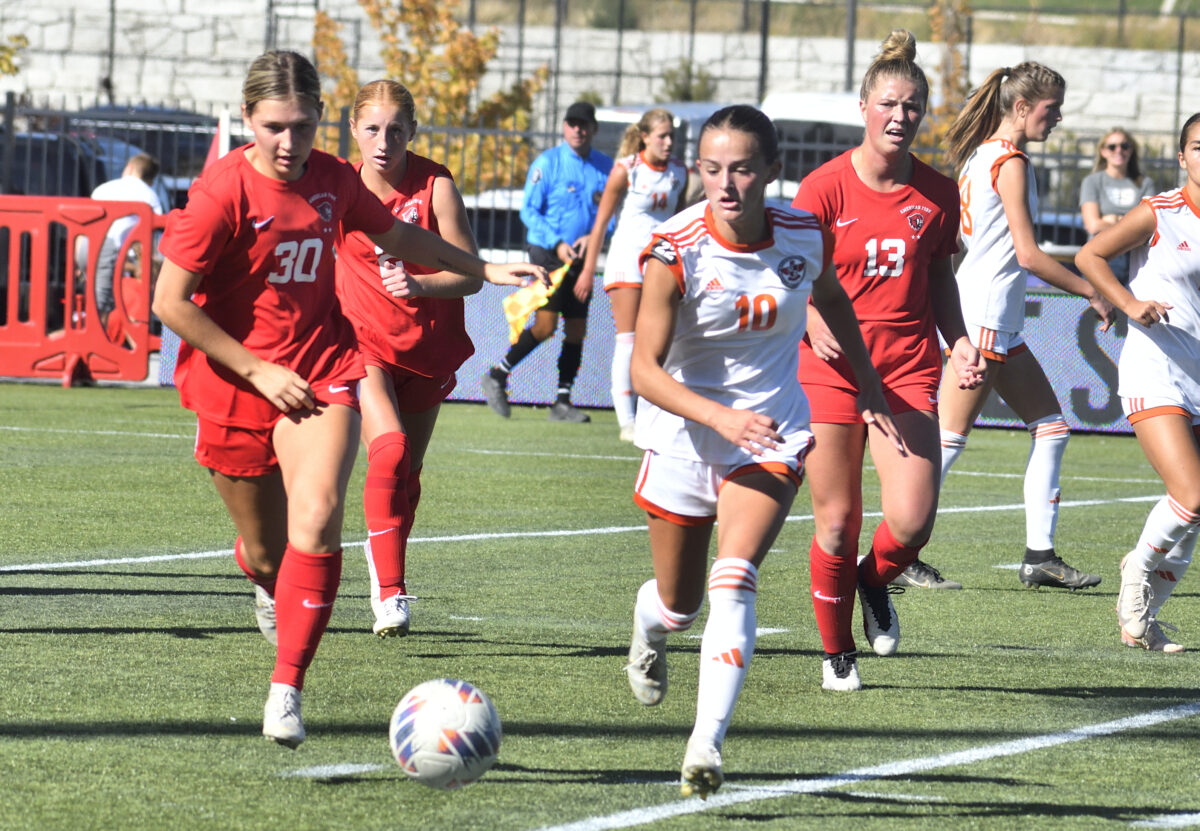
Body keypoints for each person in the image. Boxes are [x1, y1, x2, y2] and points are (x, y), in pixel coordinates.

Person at [151, 51, 542, 749]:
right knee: (270, 553)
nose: (288, 142)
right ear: (248, 120)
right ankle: (264, 574)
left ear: (319, 123)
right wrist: (254, 368)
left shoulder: (332, 179)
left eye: (302, 126)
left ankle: (286, 688)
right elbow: (170, 303)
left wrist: (481, 266)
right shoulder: (219, 192)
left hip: (322, 365)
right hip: (238, 381)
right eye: (274, 126)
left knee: (322, 514)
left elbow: (398, 234)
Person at [623, 104, 902, 798]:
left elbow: (833, 297)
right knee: (680, 605)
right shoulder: (674, 247)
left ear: (773, 171)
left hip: (771, 434)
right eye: (713, 169)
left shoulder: (803, 233)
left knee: (735, 575)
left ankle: (704, 744)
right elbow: (644, 371)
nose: (726, 183)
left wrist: (866, 379)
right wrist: (719, 415)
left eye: (743, 168)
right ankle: (649, 625)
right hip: (687, 436)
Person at [790, 31, 987, 690]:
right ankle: (835, 651)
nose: (900, 116)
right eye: (889, 104)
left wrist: (958, 341)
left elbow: (938, 278)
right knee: (838, 519)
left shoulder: (936, 193)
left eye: (913, 106)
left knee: (911, 522)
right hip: (831, 368)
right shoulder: (821, 190)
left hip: (905, 368)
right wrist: (812, 318)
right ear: (864, 107)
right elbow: (790, 277)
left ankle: (874, 581)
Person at [937, 62, 1116, 591]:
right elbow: (1029, 255)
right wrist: (1091, 289)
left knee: (1052, 429)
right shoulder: (1010, 160)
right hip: (988, 315)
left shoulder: (980, 154)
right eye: (1051, 109)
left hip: (995, 317)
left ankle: (1040, 557)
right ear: (1021, 108)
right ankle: (894, 551)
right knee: (947, 440)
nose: (1057, 118)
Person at [335, 79, 488, 638]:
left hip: (427, 350)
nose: (383, 140)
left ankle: (386, 562)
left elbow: (471, 276)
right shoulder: (336, 184)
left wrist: (422, 287)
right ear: (353, 128)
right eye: (372, 128)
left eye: (395, 129)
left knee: (408, 476)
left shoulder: (436, 186)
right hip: (362, 347)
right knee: (389, 449)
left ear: (412, 133)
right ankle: (391, 592)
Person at [1075, 112, 1200, 654]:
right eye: (1199, 145)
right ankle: (1137, 570)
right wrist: (1129, 304)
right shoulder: (1161, 210)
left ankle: (1143, 621)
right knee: (1191, 497)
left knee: (1194, 519)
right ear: (1181, 156)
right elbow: (1090, 254)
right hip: (1156, 368)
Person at [481, 101, 614, 423]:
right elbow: (529, 211)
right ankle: (497, 375)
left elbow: (610, 216)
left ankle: (562, 401)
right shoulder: (549, 162)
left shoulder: (605, 166)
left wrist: (594, 236)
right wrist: (559, 243)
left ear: (594, 129)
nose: (577, 129)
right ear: (564, 127)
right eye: (572, 123)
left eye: (584, 124)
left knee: (577, 330)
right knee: (546, 326)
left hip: (580, 257)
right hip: (548, 254)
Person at [577, 108, 689, 442]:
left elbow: (680, 221)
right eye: (662, 136)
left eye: (672, 136)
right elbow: (601, 224)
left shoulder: (679, 172)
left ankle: (654, 411)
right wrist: (587, 270)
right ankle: (627, 419)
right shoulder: (627, 169)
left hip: (662, 264)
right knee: (627, 339)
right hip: (627, 259)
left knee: (661, 340)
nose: (669, 142)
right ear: (644, 137)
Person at [90, 152, 165, 330]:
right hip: (125, 260)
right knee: (123, 311)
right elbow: (155, 235)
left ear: (129, 168)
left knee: (97, 305)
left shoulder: (103, 189)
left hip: (93, 249)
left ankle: (98, 340)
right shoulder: (150, 196)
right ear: (151, 179)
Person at [1079, 128, 1157, 286]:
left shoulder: (1145, 183)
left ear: (1131, 150)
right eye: (1112, 147)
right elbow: (1093, 225)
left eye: (1125, 146)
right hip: (1102, 257)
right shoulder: (1092, 182)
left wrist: (1111, 219)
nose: (1119, 150)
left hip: (1136, 258)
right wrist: (1130, 222)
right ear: (1103, 151)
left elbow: (1149, 225)